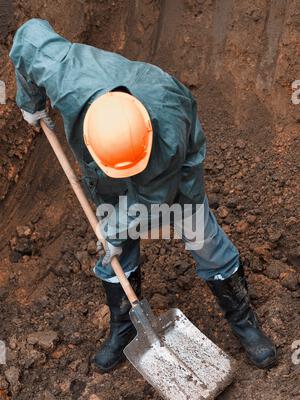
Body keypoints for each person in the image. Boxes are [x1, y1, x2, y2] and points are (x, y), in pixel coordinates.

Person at [10, 18, 277, 372]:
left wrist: (115, 231)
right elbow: (29, 39)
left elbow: (153, 201)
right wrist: (30, 99)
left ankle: (243, 322)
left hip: (172, 177)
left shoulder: (166, 125)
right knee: (113, 248)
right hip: (110, 166)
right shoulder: (67, 76)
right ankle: (124, 327)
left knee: (199, 234)